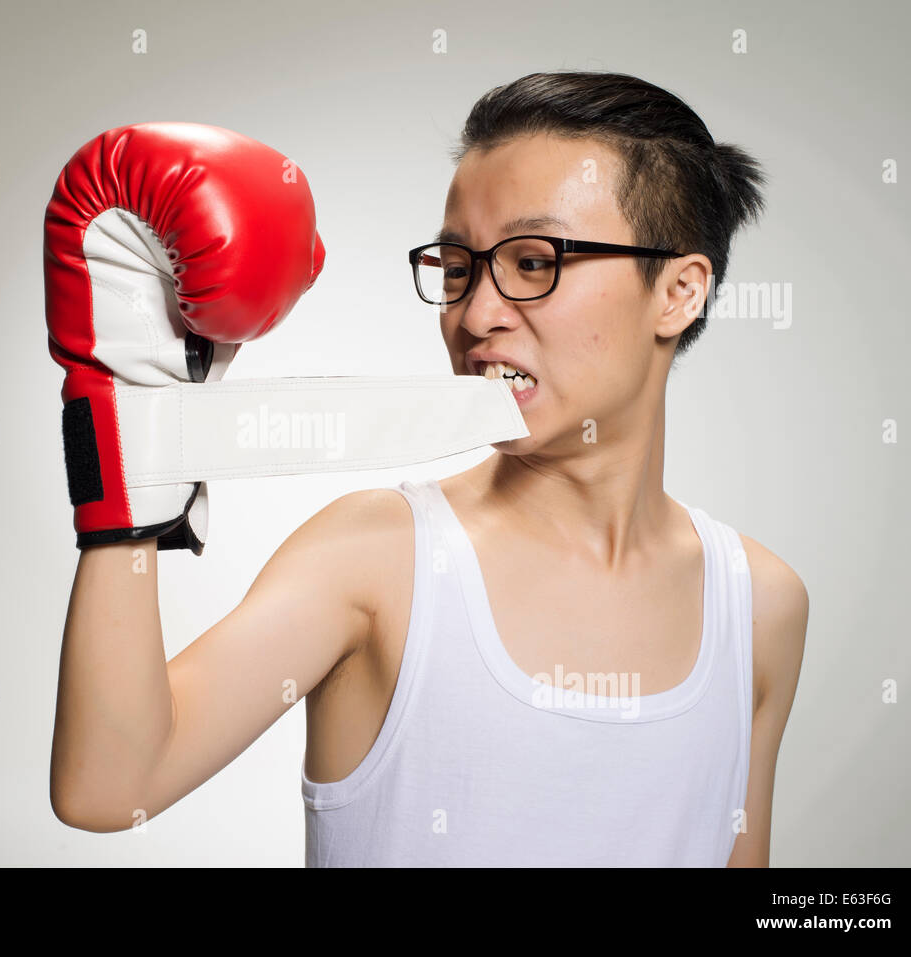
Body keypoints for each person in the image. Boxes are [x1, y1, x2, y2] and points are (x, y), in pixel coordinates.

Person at [48, 71, 809, 867]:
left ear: (680, 293)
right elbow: (108, 784)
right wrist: (130, 423)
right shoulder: (377, 558)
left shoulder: (759, 603)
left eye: (533, 260)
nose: (475, 314)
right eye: (457, 266)